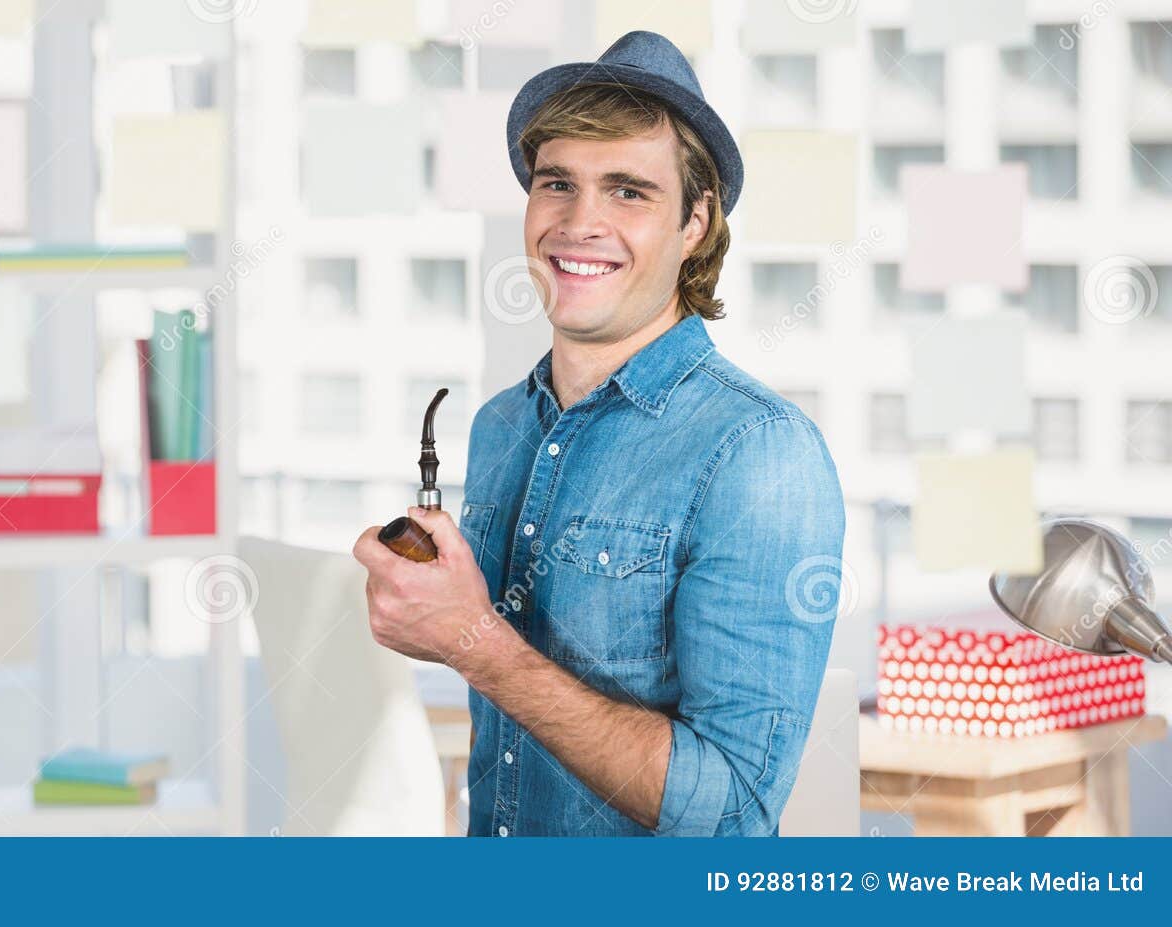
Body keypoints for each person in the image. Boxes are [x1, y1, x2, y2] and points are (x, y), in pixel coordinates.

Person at [353, 31, 846, 836]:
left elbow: (730, 813)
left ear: (695, 221)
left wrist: (476, 641)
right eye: (558, 183)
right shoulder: (502, 426)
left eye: (628, 191)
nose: (580, 222)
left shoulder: (759, 455)